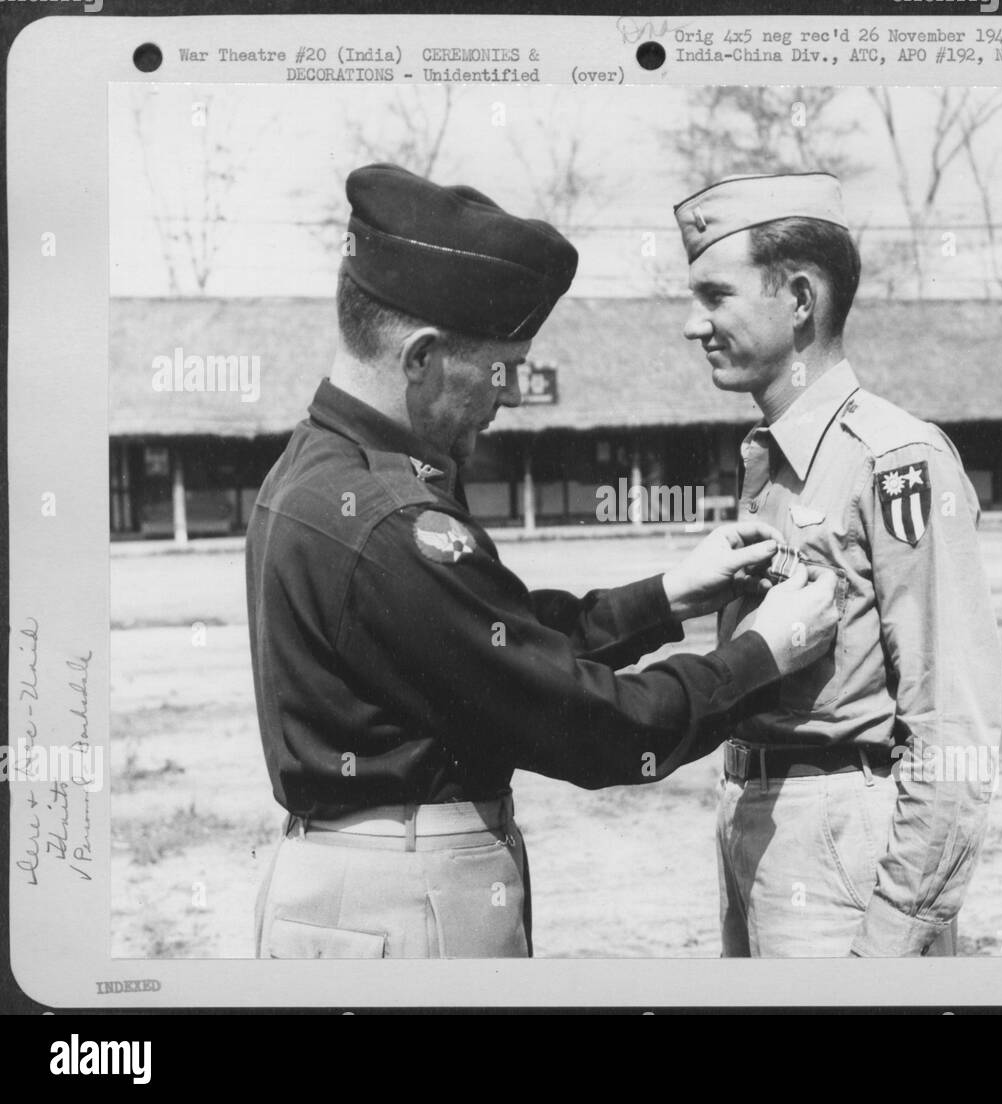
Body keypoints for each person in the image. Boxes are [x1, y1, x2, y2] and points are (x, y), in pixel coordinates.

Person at [245, 163, 838, 959]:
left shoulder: (319, 471)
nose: (515, 396)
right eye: (504, 368)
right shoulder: (394, 528)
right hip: (407, 904)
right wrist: (762, 655)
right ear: (422, 358)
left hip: (351, 894)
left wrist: (668, 596)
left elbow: (495, 642)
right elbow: (593, 727)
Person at [673, 171, 1002, 957]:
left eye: (716, 296)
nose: (695, 325)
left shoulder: (896, 461)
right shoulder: (773, 460)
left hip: (843, 837)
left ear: (798, 300)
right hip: (756, 812)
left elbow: (953, 726)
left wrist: (897, 933)